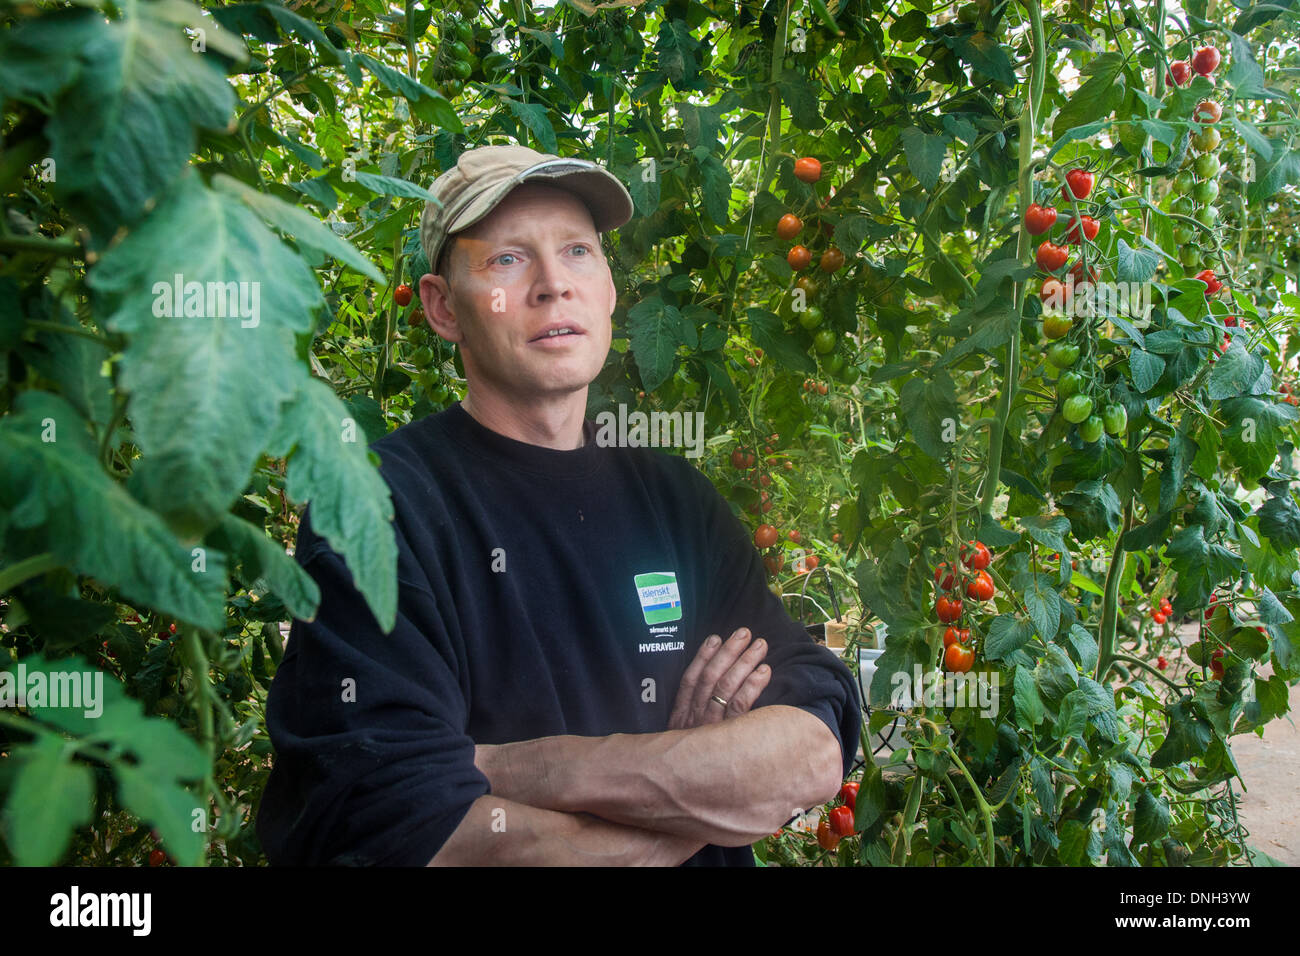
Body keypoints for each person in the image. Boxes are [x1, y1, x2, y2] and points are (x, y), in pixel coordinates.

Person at [256, 144, 861, 866]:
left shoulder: (677, 504)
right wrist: (700, 795)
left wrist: (508, 768)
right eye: (507, 259)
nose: (553, 285)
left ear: (608, 290)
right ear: (443, 308)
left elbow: (812, 754)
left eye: (578, 251)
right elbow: (405, 826)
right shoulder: (380, 508)